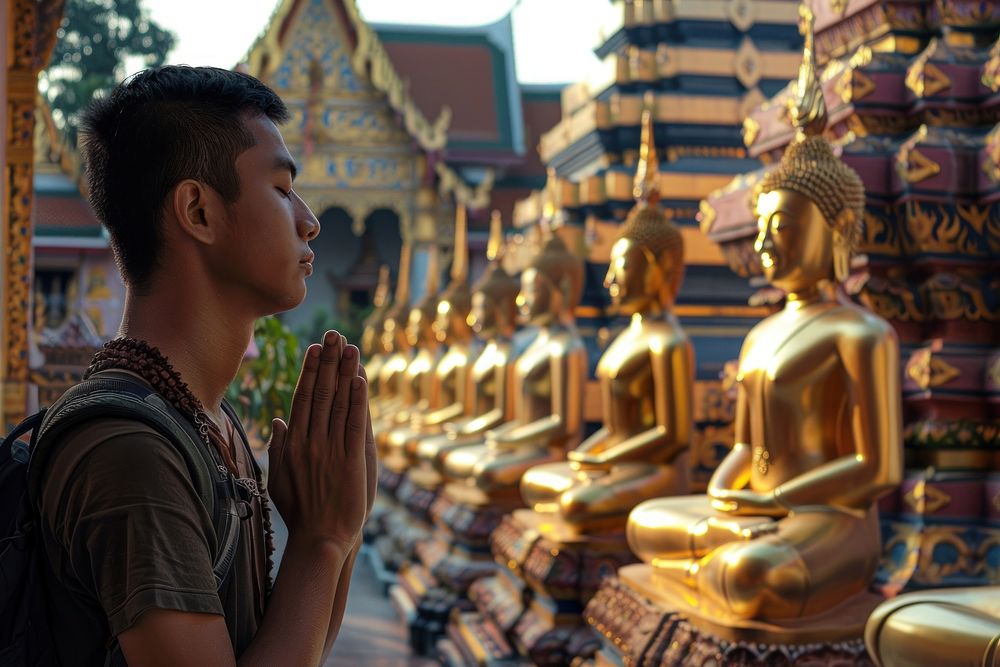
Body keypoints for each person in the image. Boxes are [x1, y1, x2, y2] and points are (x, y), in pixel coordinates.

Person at [33, 65, 375, 665]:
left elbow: (293, 645)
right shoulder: (129, 452)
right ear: (198, 210)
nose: (309, 219)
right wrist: (321, 542)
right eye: (280, 188)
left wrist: (337, 530)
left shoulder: (205, 424)